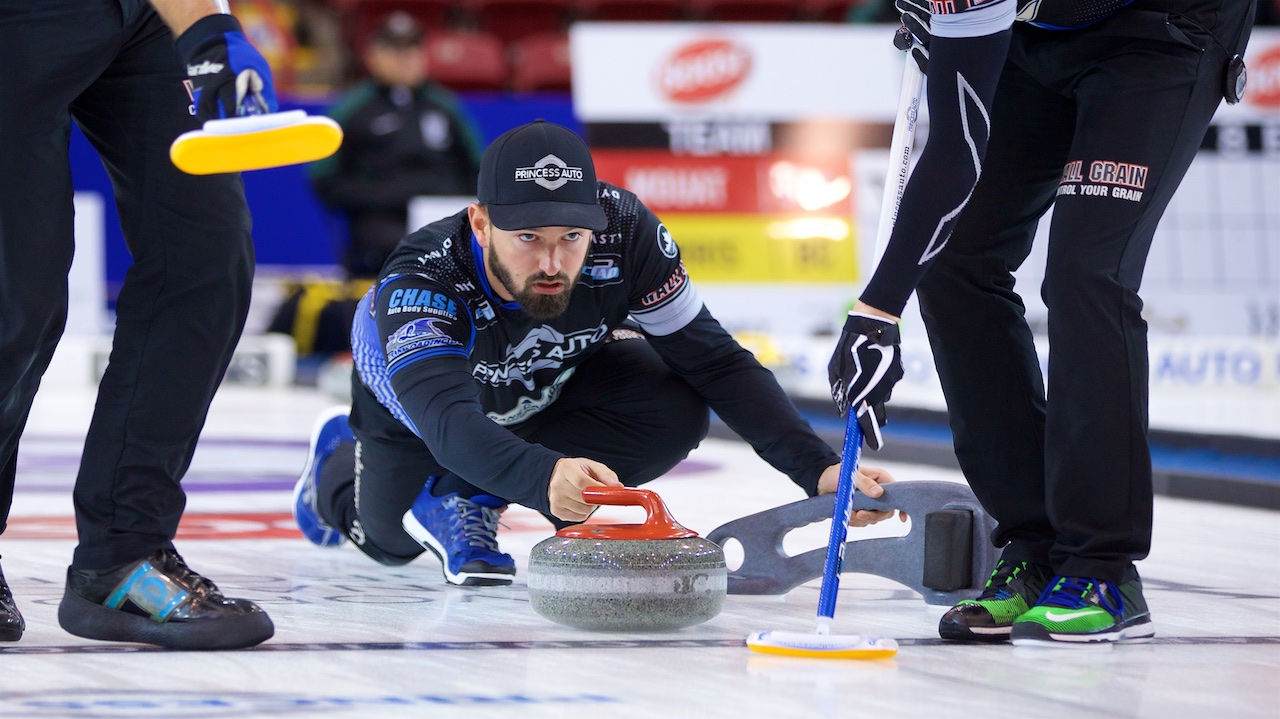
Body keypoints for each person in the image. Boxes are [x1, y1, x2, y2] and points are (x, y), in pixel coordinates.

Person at [291, 120, 902, 585]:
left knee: (672, 404)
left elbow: (715, 361)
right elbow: (448, 422)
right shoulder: (424, 280)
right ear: (480, 224)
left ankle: (468, 493)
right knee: (389, 544)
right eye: (527, 238)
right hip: (422, 408)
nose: (553, 264)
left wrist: (815, 468)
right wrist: (540, 475)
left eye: (571, 238)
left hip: (547, 380)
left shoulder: (626, 232)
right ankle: (335, 470)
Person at [828, 0, 1255, 646]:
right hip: (1040, 33)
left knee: (1088, 273)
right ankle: (1033, 544)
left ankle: (1101, 566)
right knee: (955, 261)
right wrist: (877, 309)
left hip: (1165, 27)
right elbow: (956, 145)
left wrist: (879, 306)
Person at [0, 0, 281, 649]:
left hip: (140, 15)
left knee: (206, 252)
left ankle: (123, 556)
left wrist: (210, 29)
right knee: (19, 284)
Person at [309, 11, 483, 279]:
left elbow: (478, 168)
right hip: (382, 222)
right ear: (372, 56)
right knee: (397, 247)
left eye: (412, 49)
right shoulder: (352, 109)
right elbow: (323, 176)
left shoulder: (446, 107)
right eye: (393, 50)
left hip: (444, 217)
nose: (405, 59)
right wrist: (382, 198)